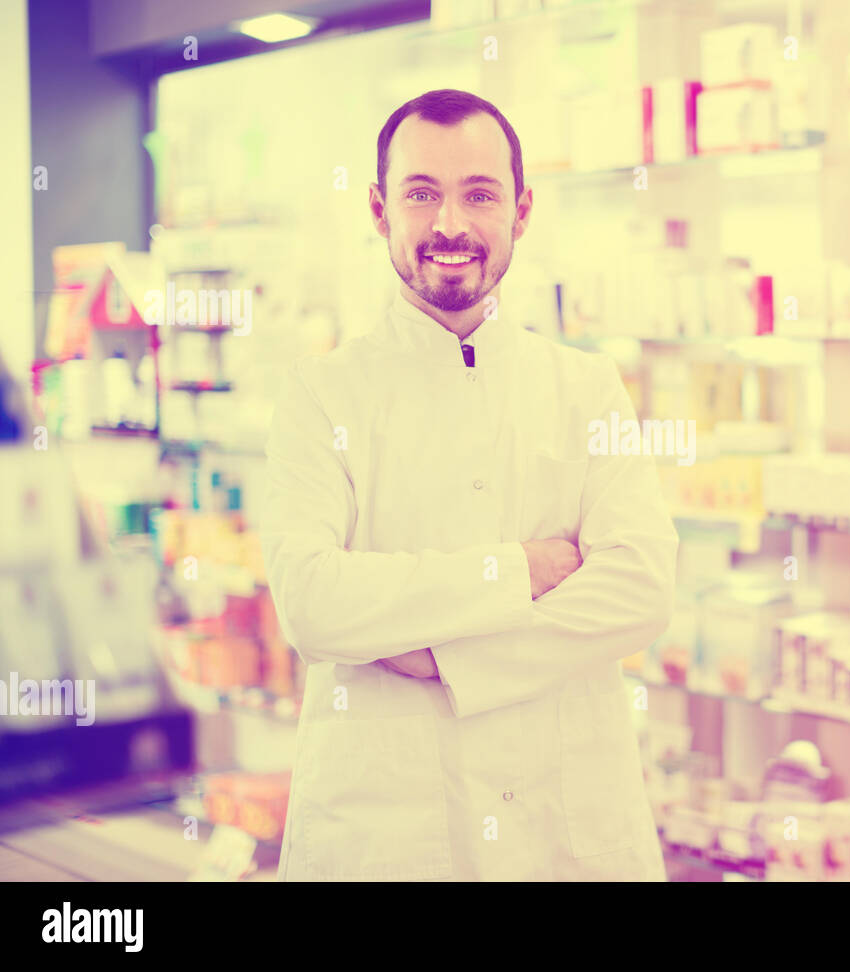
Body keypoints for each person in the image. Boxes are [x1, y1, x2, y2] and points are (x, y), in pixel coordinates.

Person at [261, 89, 679, 881]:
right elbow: (312, 602)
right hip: (387, 835)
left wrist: (446, 658)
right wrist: (523, 569)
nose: (449, 224)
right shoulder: (321, 395)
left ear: (521, 211)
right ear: (380, 209)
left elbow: (642, 588)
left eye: (479, 194)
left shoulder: (587, 387)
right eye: (422, 193)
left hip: (565, 829)